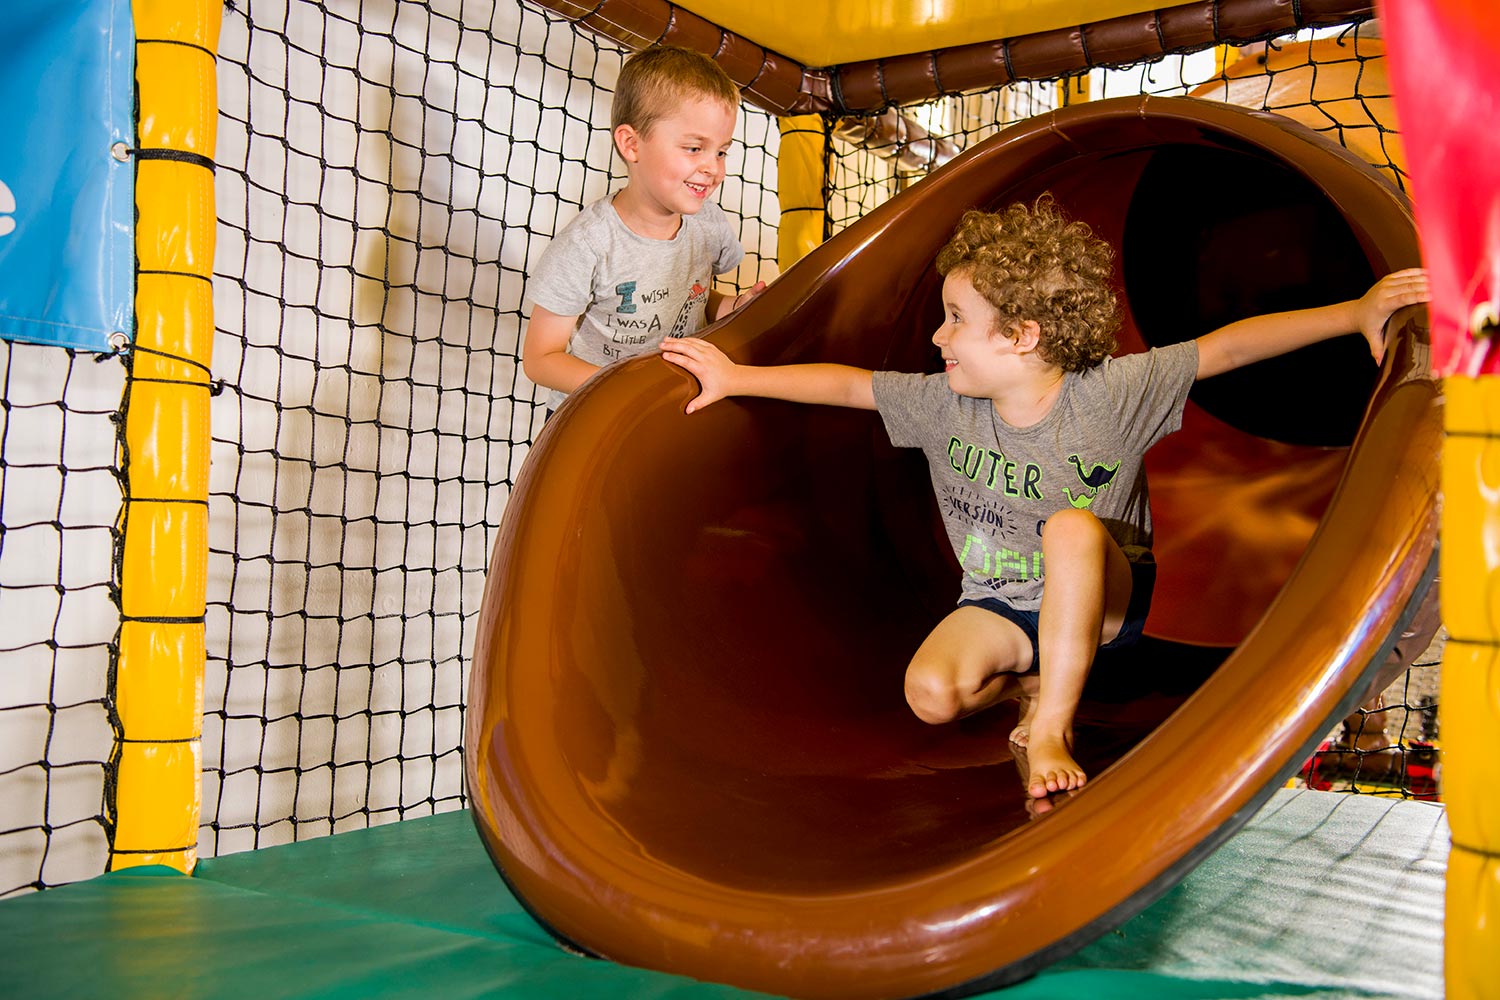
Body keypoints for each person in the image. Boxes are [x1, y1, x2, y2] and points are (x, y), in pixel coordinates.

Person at [659, 195, 1429, 801]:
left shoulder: (1111, 394)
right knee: (928, 693)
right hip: (1000, 603)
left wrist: (1355, 312)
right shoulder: (944, 403)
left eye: (957, 320)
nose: (938, 337)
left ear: (1022, 337)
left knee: (1068, 528)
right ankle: (1031, 684)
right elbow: (849, 385)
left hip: (1107, 598)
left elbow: (1228, 345)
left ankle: (1048, 730)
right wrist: (738, 377)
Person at [522, 45, 766, 413]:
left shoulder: (707, 224)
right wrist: (629, 389)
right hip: (597, 415)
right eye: (694, 148)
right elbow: (541, 358)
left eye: (721, 152)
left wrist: (734, 306)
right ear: (632, 144)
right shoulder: (588, 244)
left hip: (673, 404)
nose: (713, 168)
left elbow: (693, 298)